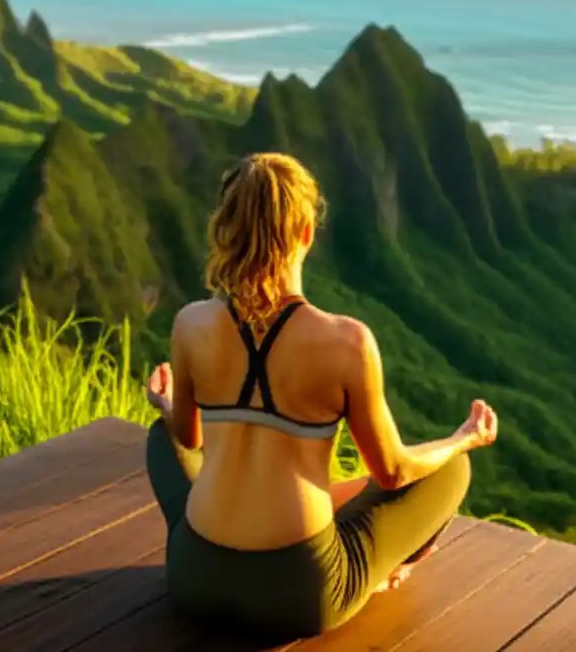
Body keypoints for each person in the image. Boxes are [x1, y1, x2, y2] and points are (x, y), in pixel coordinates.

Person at [142, 152, 500, 639]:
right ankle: (380, 574)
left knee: (161, 436)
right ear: (307, 233)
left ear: (226, 229)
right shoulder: (347, 341)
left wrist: (165, 405)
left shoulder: (191, 323)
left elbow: (187, 437)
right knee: (452, 469)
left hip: (195, 576)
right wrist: (464, 438)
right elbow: (393, 473)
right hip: (299, 594)